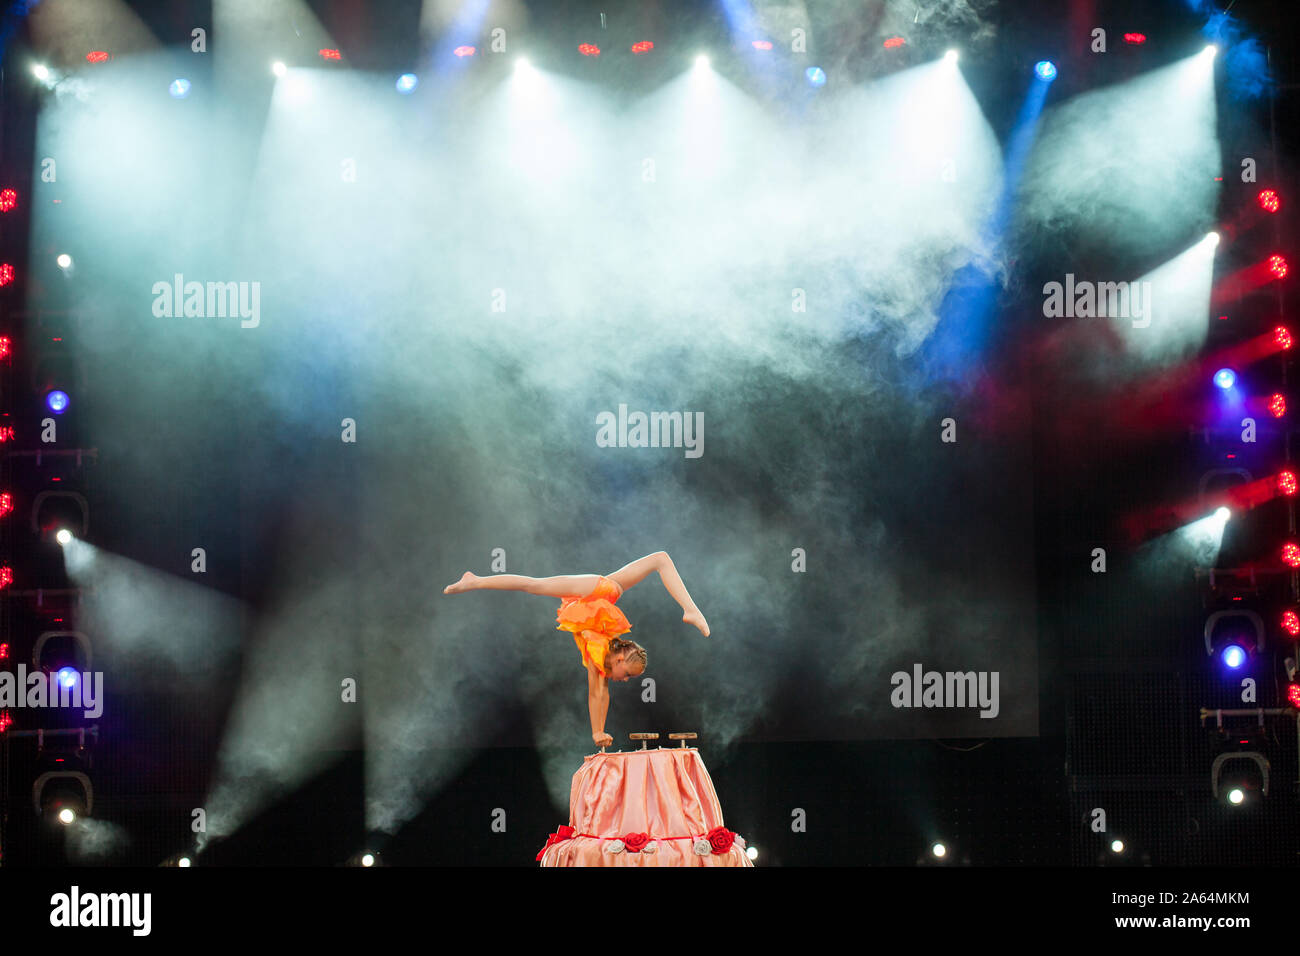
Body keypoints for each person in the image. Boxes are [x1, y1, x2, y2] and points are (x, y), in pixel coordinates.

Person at [443, 552, 709, 746]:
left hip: (606, 591)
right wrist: (597, 732)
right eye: (626, 673)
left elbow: (600, 692)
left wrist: (599, 732)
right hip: (594, 590)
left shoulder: (604, 660)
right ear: (618, 658)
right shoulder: (600, 649)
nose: (625, 680)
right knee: (533, 585)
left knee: (661, 558)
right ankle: (474, 580)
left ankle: (690, 609)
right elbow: (597, 694)